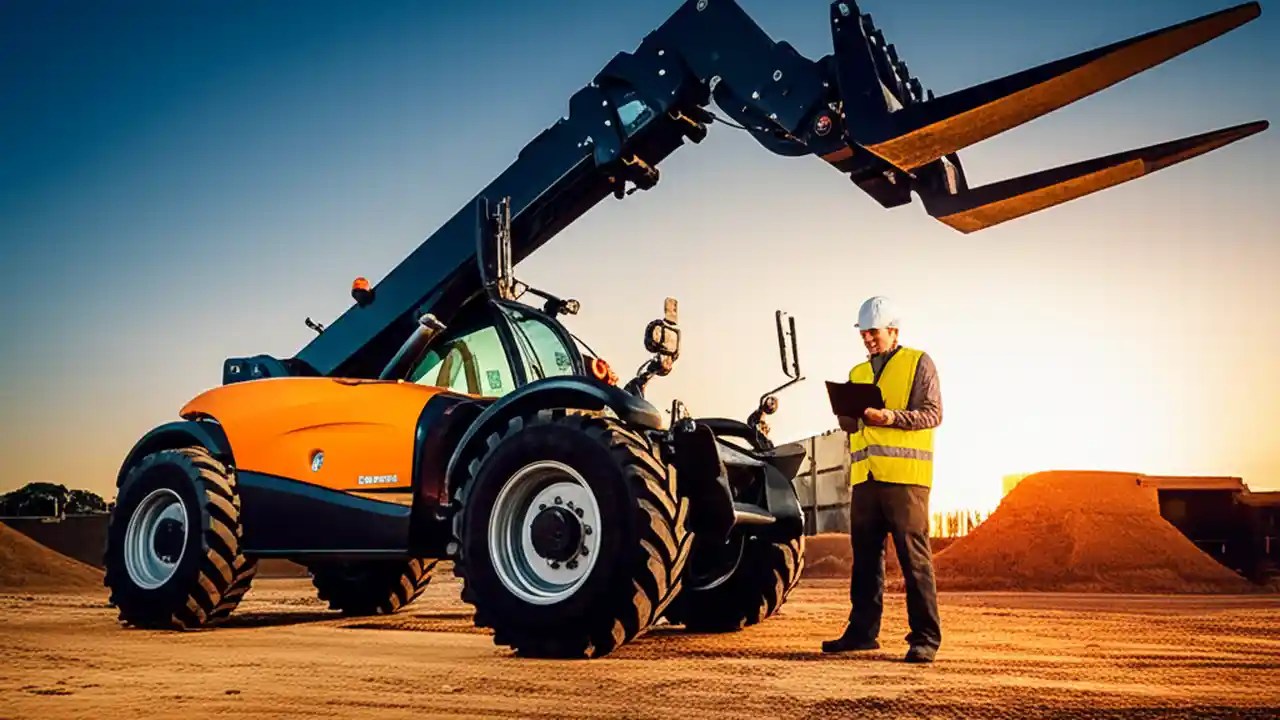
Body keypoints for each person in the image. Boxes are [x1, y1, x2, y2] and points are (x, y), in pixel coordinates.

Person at [822, 295, 943, 663]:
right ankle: (861, 633)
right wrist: (848, 417)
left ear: (893, 330)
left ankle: (925, 638)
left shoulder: (918, 363)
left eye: (873, 333)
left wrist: (888, 418)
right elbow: (852, 424)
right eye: (863, 334)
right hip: (866, 478)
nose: (868, 339)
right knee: (865, 561)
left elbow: (932, 414)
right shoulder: (858, 373)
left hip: (906, 480)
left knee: (914, 560)